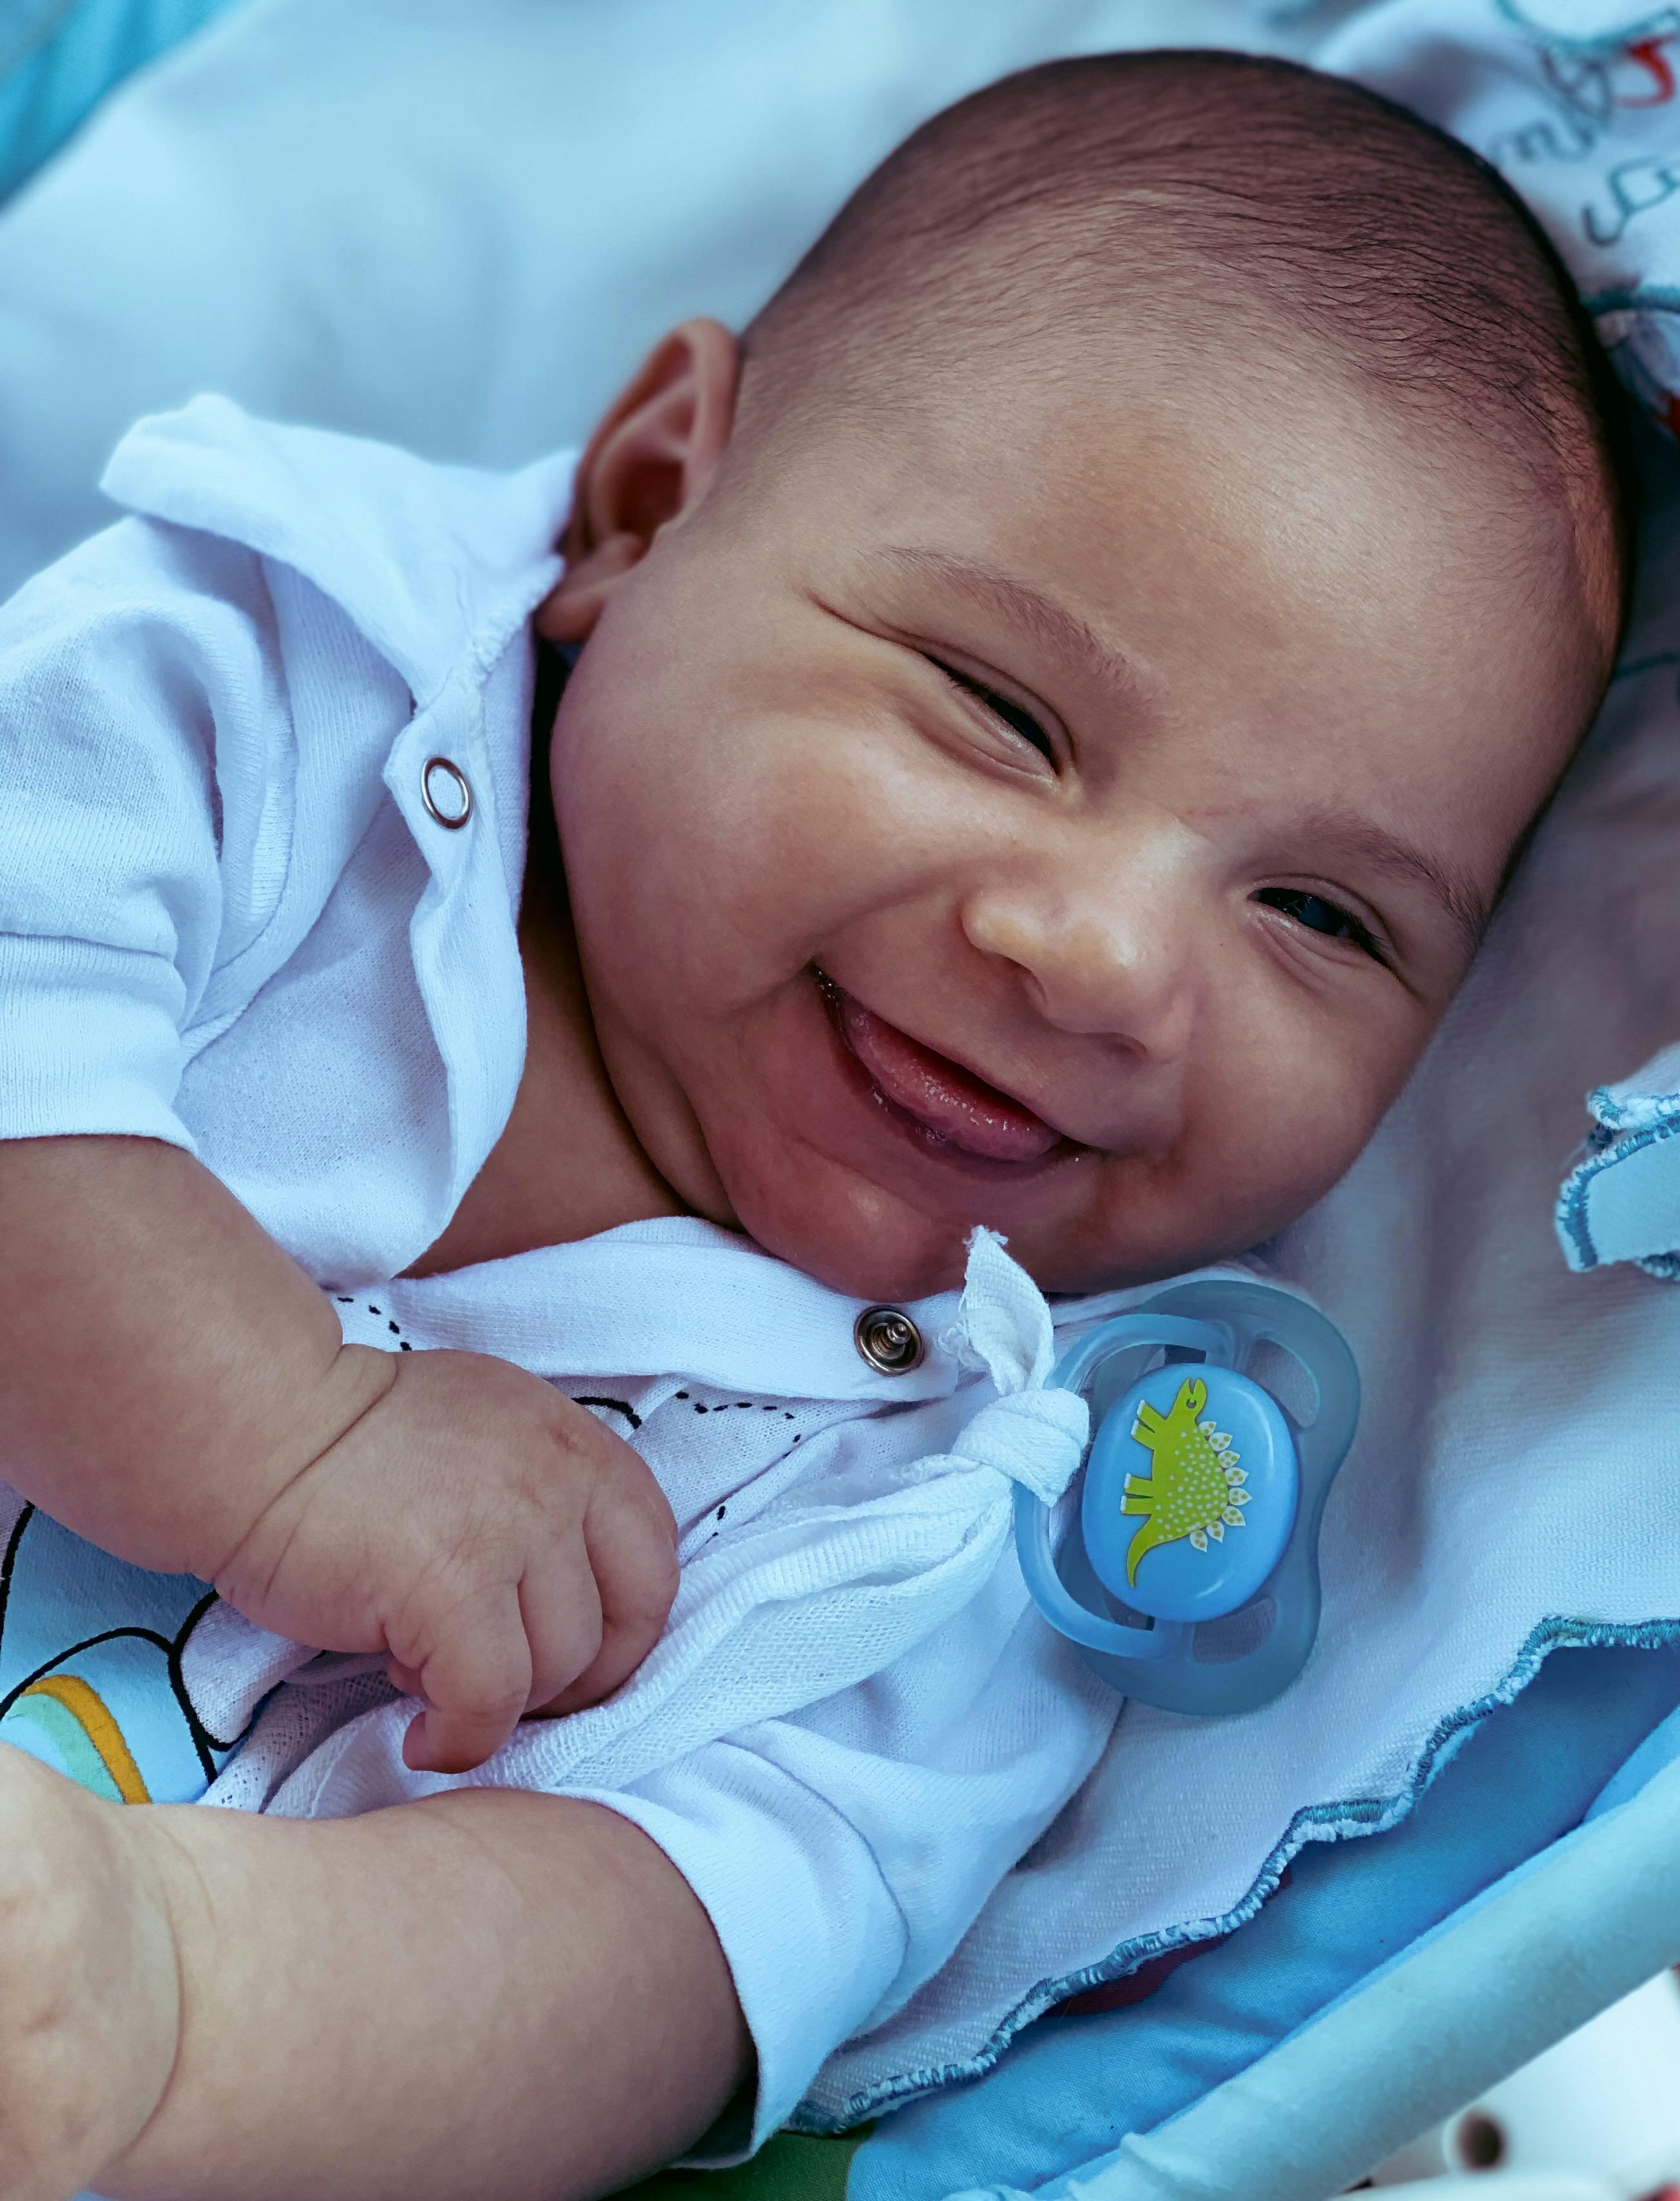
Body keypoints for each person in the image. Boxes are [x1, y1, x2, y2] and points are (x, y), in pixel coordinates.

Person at [0, 46, 1632, 2201]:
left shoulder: (959, 1537)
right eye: (1006, 713)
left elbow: (677, 1961)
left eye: (1321, 915)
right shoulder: (276, 684)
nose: (1112, 958)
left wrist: (164, 1999)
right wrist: (288, 1434)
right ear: (652, 498)